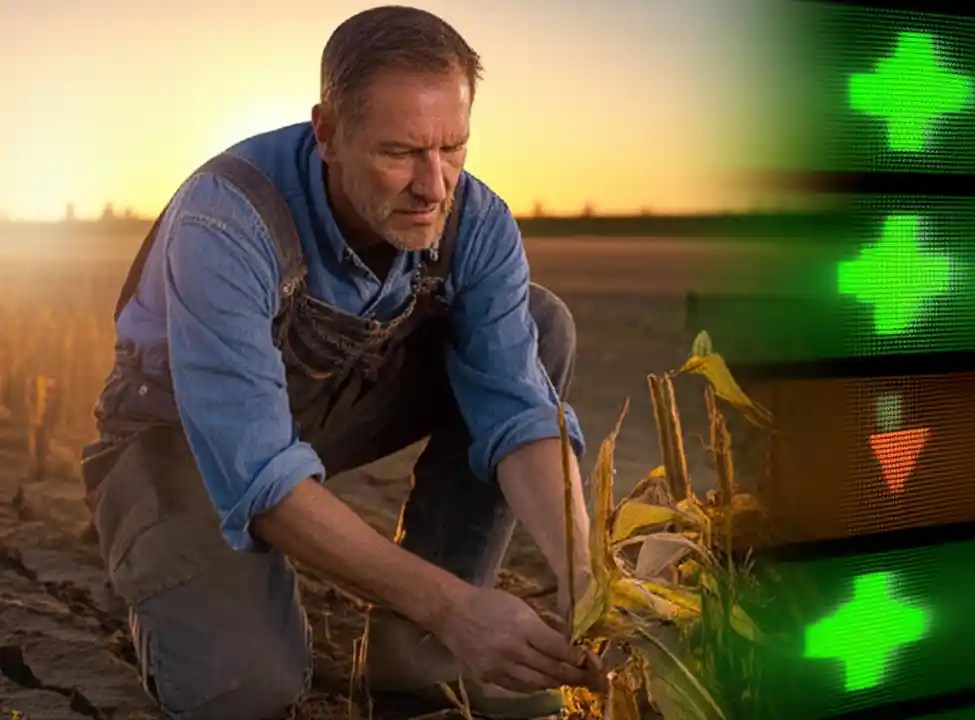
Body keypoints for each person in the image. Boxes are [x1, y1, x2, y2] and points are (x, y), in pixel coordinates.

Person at [80, 6, 605, 719]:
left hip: (325, 411)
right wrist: (457, 609)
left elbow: (516, 409)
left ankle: (415, 658)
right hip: (183, 439)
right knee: (248, 690)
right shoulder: (226, 219)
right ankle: (168, 578)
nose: (435, 185)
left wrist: (587, 580)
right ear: (327, 131)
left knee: (541, 325)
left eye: (453, 147)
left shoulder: (476, 219)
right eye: (400, 153)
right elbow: (258, 471)